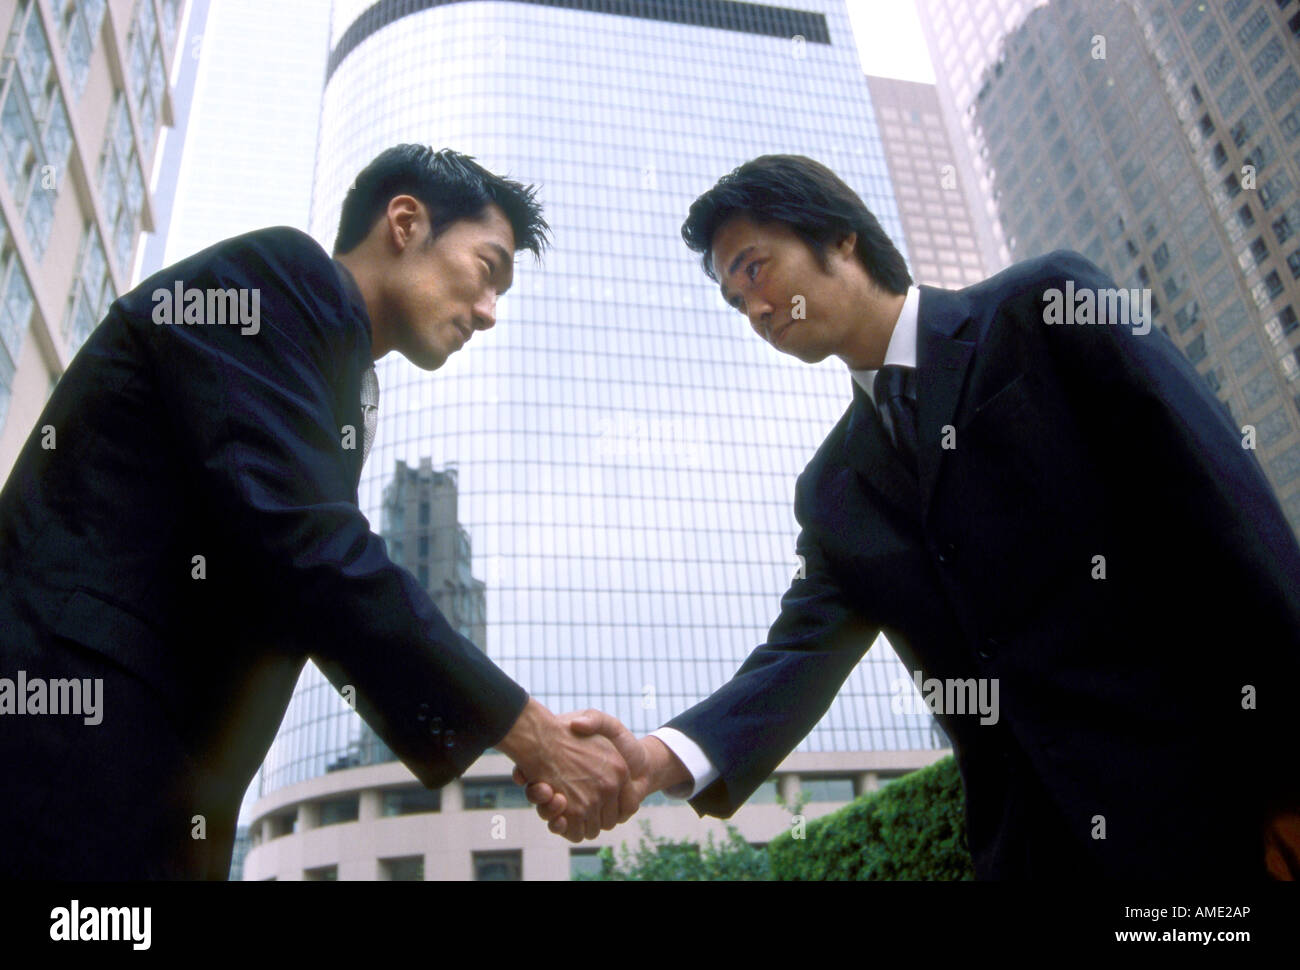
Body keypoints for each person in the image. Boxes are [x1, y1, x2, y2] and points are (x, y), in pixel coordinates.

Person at [521, 154, 1300, 878]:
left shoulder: (1042, 309)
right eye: (733, 299)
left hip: (1212, 817)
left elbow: (1225, 520)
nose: (753, 308)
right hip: (1032, 856)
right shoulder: (833, 489)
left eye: (755, 269)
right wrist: (652, 760)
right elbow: (799, 656)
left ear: (839, 235)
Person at [0, 144, 643, 879]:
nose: (490, 313)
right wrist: (530, 734)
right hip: (64, 752)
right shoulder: (275, 277)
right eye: (487, 269)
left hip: (152, 797)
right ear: (405, 221)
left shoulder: (332, 371)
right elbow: (307, 545)